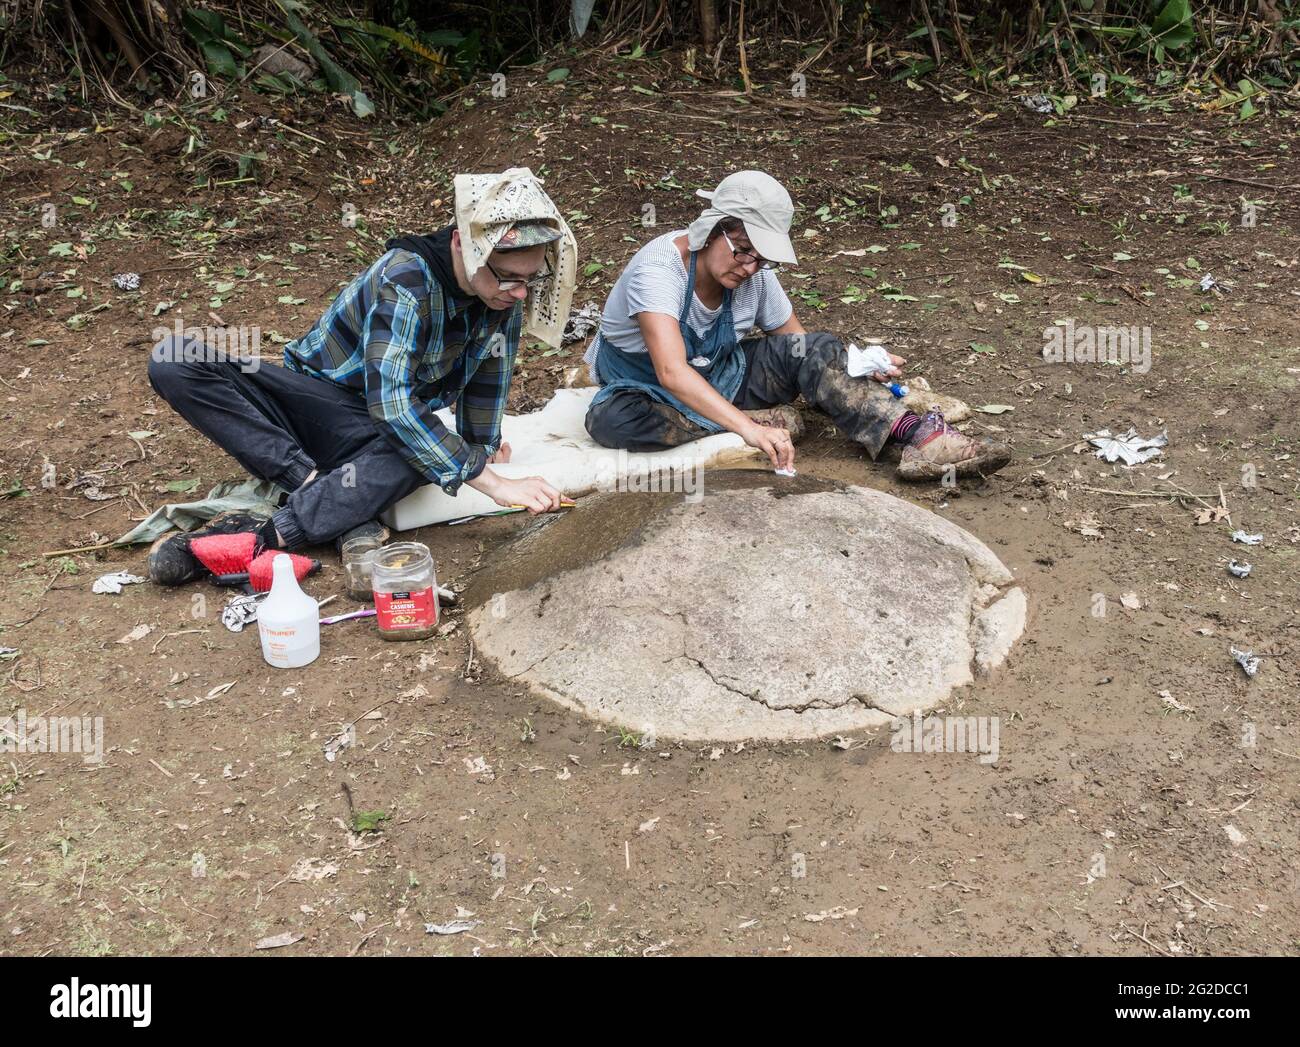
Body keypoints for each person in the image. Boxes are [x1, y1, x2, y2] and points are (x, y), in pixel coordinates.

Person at [145, 167, 576, 586]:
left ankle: (270, 535)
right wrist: (490, 481)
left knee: (427, 450)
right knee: (174, 358)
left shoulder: (502, 299)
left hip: (375, 435)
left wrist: (479, 450)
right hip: (314, 405)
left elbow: (487, 380)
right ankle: (316, 486)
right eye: (508, 277)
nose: (520, 292)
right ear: (463, 244)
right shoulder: (407, 278)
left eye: (529, 279)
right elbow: (392, 405)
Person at [583, 170, 1011, 481]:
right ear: (712, 231)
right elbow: (671, 372)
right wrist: (748, 429)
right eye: (743, 251)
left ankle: (919, 435)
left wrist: (852, 369)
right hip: (646, 388)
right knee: (612, 423)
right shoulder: (658, 270)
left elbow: (799, 345)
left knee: (818, 348)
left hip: (721, 372)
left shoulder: (754, 273)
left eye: (762, 258)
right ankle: (746, 417)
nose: (750, 268)